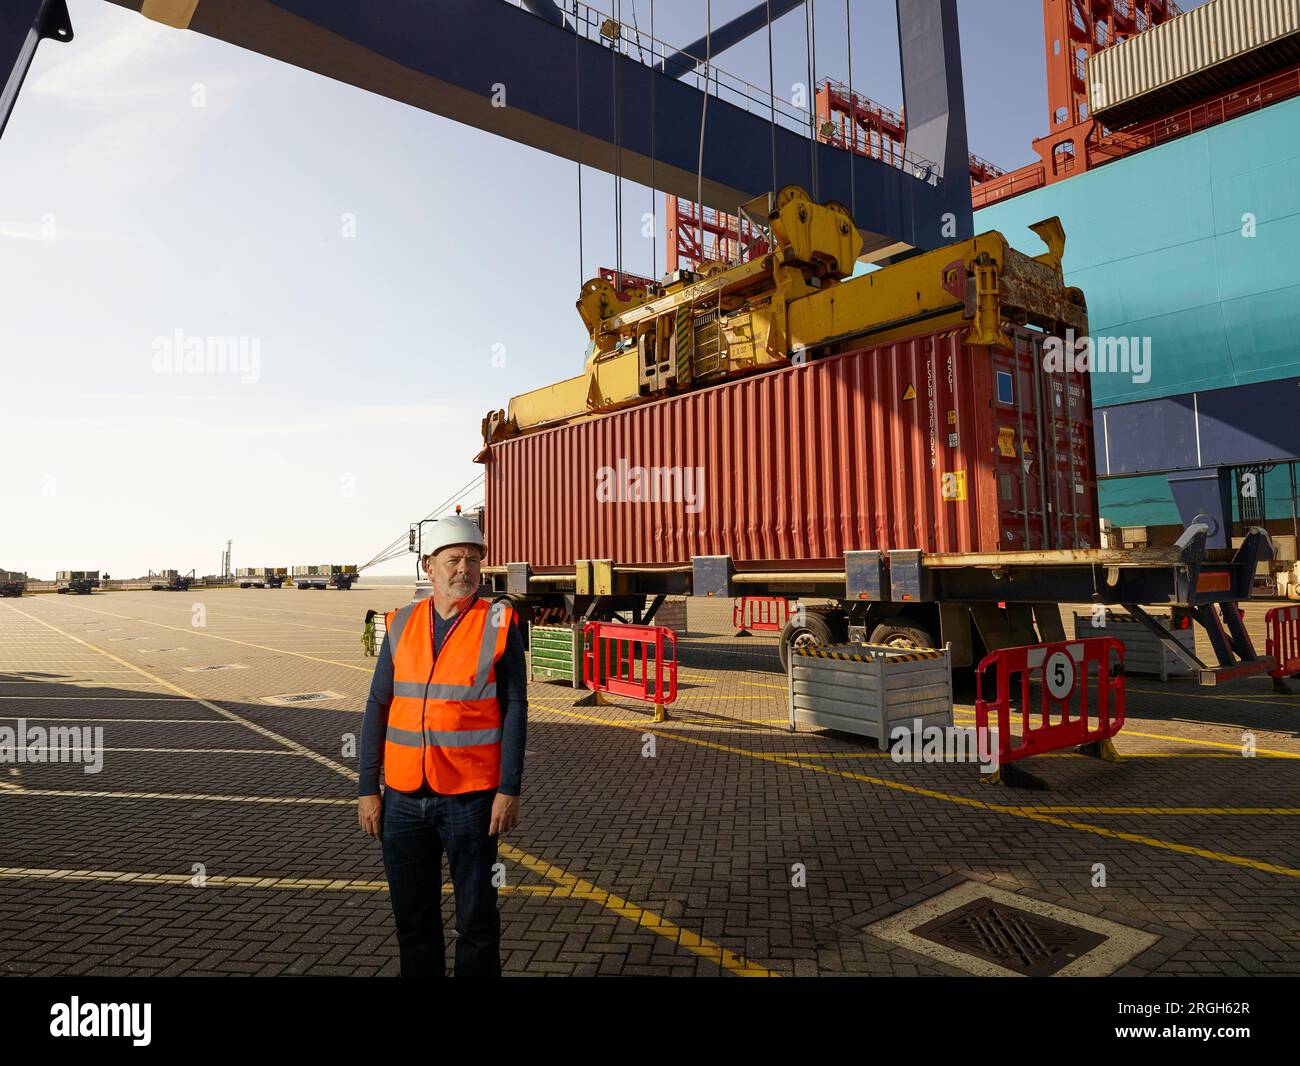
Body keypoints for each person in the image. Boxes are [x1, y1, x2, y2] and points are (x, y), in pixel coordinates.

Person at [356, 514, 527, 976]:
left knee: (476, 921)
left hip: (472, 798)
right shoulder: (401, 622)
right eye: (453, 559)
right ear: (429, 566)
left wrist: (508, 788)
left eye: (473, 559)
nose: (464, 569)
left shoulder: (498, 620)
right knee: (413, 922)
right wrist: (367, 788)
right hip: (405, 801)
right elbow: (378, 706)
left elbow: (515, 707)